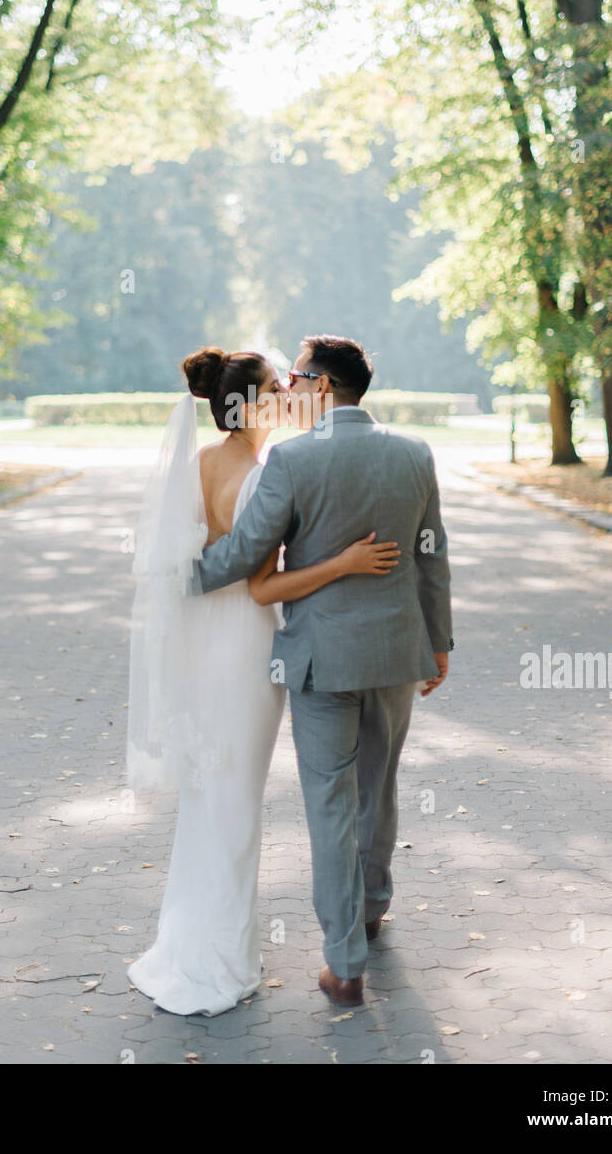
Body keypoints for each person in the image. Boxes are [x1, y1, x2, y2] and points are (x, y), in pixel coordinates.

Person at [125, 346, 399, 1016]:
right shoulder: (258, 472)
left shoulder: (196, 467)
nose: (286, 394)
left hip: (203, 653)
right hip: (246, 655)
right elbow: (260, 586)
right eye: (276, 387)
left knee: (208, 801)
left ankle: (192, 944)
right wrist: (344, 561)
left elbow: (182, 568)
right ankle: (218, 960)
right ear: (248, 404)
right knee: (236, 805)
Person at [196, 334, 452, 1007]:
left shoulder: (292, 460)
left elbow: (248, 550)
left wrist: (179, 577)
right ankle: (372, 905)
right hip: (399, 656)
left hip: (320, 664)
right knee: (380, 789)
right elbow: (432, 555)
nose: (292, 388)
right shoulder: (413, 453)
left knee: (329, 807)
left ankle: (345, 962)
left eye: (299, 376)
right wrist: (440, 643)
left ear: (321, 385)